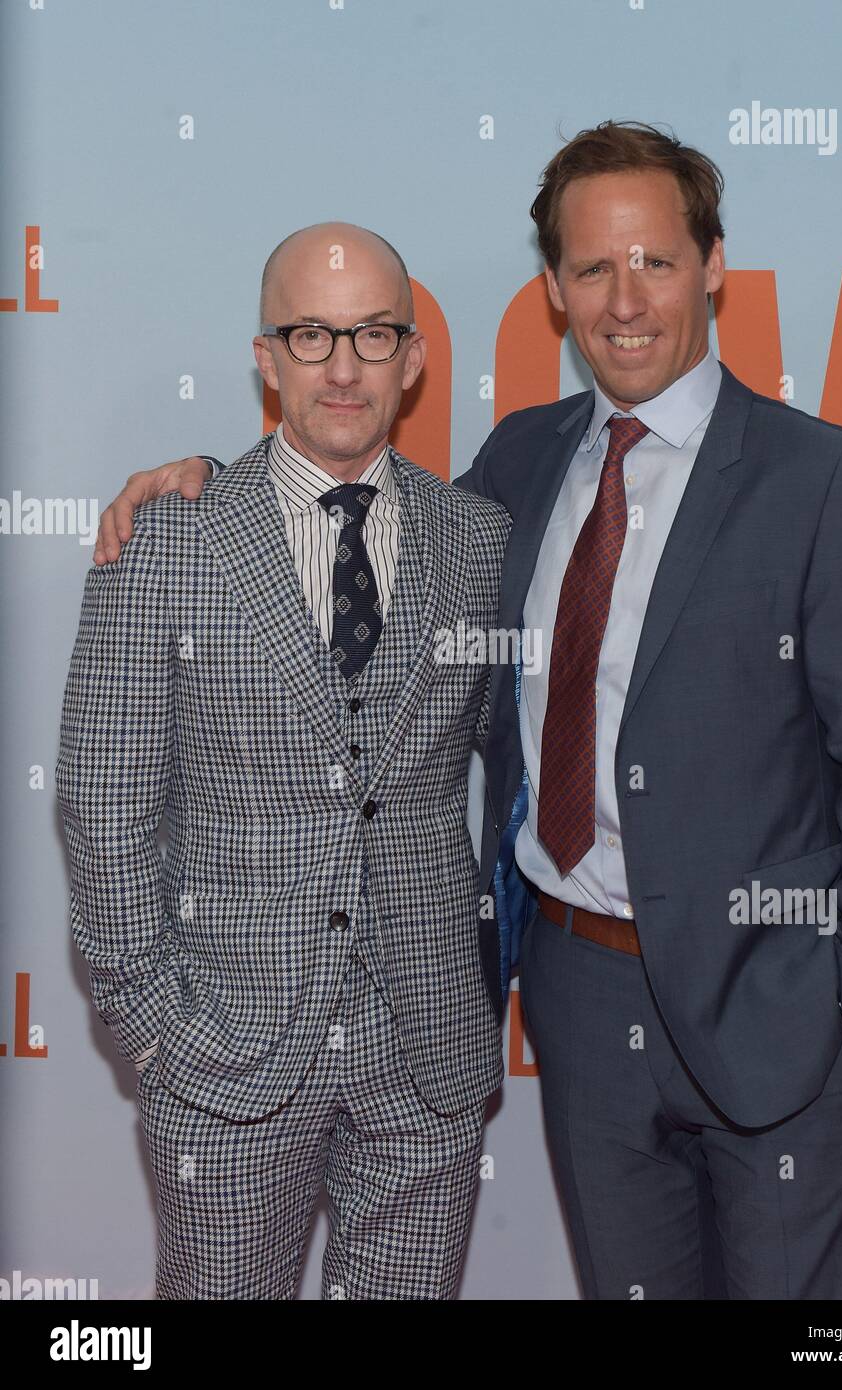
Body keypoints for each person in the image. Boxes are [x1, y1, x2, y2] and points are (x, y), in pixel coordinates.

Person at [94, 122, 842, 1301]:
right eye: (592, 268)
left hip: (782, 1011)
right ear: (552, 290)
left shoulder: (825, 475)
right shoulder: (518, 469)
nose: (624, 298)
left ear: (713, 266)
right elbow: (334, 499)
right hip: (580, 1000)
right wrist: (202, 477)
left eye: (652, 259)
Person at [57, 222, 512, 1300]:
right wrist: (154, 1032)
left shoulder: (480, 537)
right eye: (311, 333)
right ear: (265, 358)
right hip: (221, 1054)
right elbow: (102, 810)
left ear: (414, 358)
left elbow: (504, 752)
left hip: (428, 1054)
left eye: (371, 334)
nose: (343, 366)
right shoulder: (164, 539)